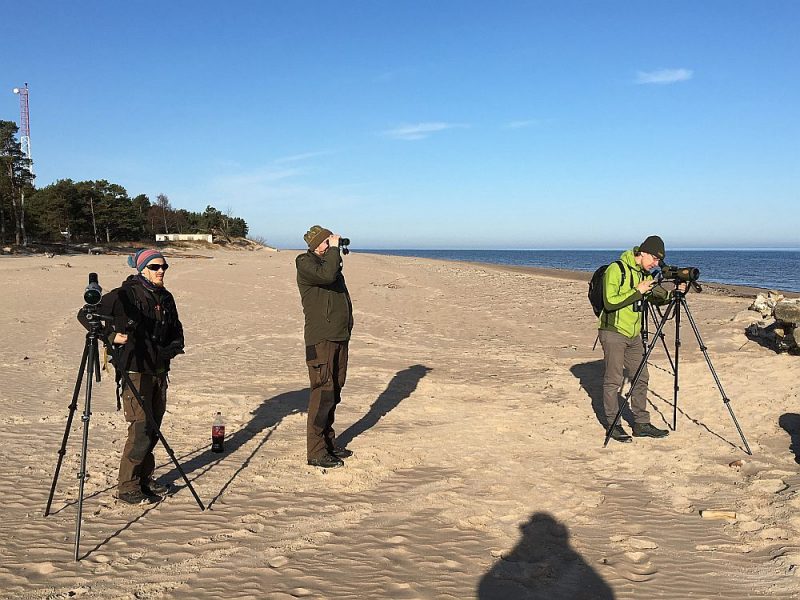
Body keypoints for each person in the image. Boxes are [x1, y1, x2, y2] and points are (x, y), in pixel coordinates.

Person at [106, 249, 185, 503]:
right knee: (140, 429)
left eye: (164, 267)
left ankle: (144, 478)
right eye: (154, 267)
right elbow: (89, 314)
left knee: (153, 427)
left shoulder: (166, 297)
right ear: (141, 269)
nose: (160, 271)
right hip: (135, 370)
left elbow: (176, 331)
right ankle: (128, 486)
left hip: (159, 370)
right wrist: (111, 337)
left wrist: (169, 350)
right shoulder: (125, 295)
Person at [599, 235, 685, 443]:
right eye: (654, 259)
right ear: (643, 252)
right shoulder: (616, 269)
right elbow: (610, 302)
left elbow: (657, 298)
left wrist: (675, 293)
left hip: (633, 334)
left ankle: (641, 423)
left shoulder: (643, 273)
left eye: (658, 261)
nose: (656, 264)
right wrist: (637, 291)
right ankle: (613, 424)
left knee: (641, 376)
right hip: (613, 332)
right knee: (614, 380)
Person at [296, 225, 354, 468]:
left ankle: (328, 443)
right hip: (322, 339)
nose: (331, 245)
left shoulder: (329, 264)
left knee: (335, 391)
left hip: (338, 337)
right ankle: (316, 451)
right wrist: (334, 251)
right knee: (323, 392)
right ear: (317, 243)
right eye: (326, 241)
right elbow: (327, 275)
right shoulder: (304, 263)